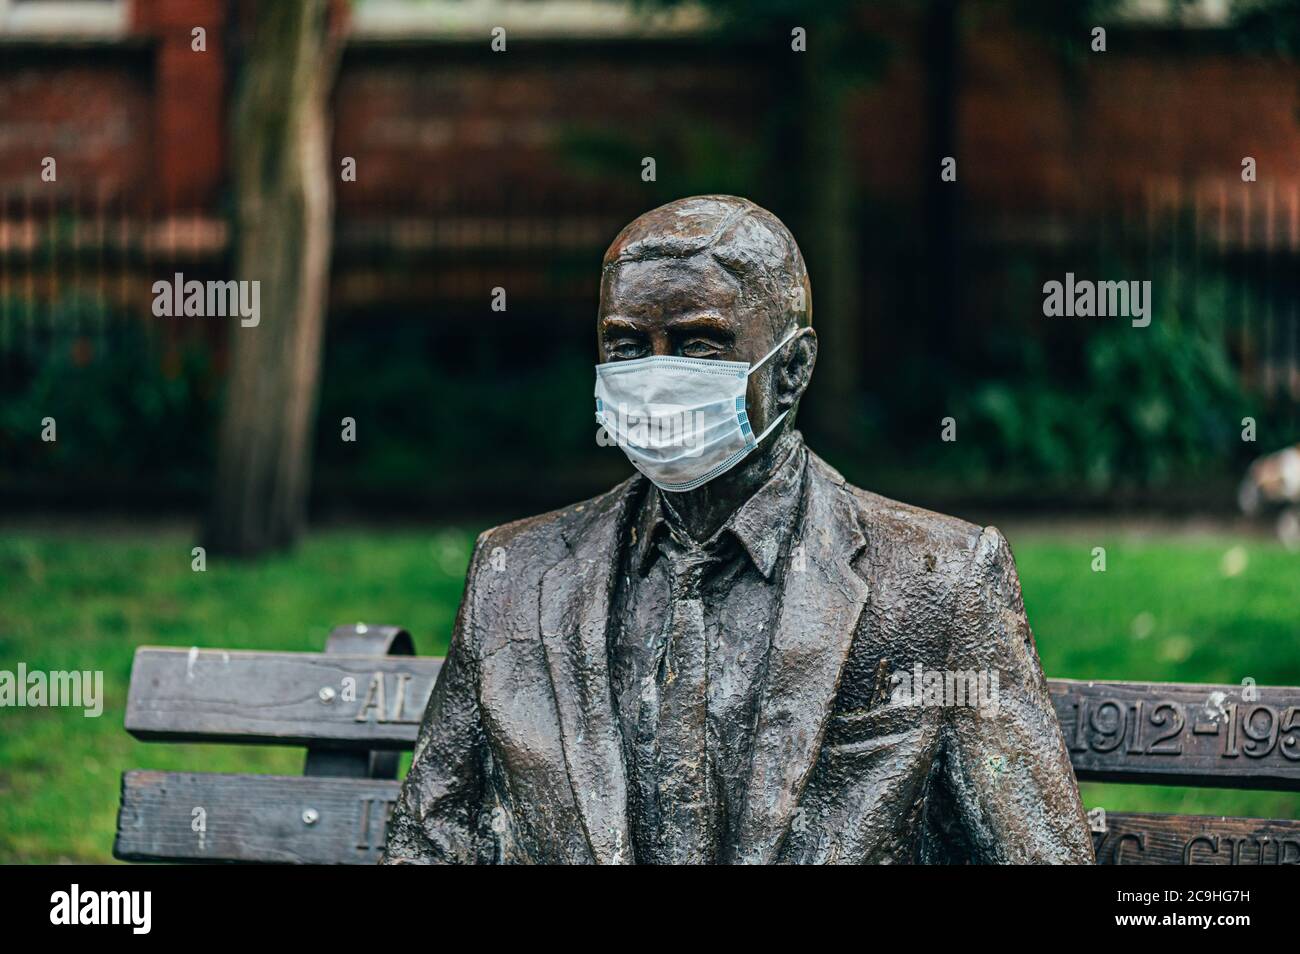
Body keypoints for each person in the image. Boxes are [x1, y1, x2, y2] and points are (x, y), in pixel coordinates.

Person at [381, 195, 1094, 864]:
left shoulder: (939, 582)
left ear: (792, 370)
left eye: (698, 344)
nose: (656, 375)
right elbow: (430, 840)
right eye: (627, 345)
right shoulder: (515, 572)